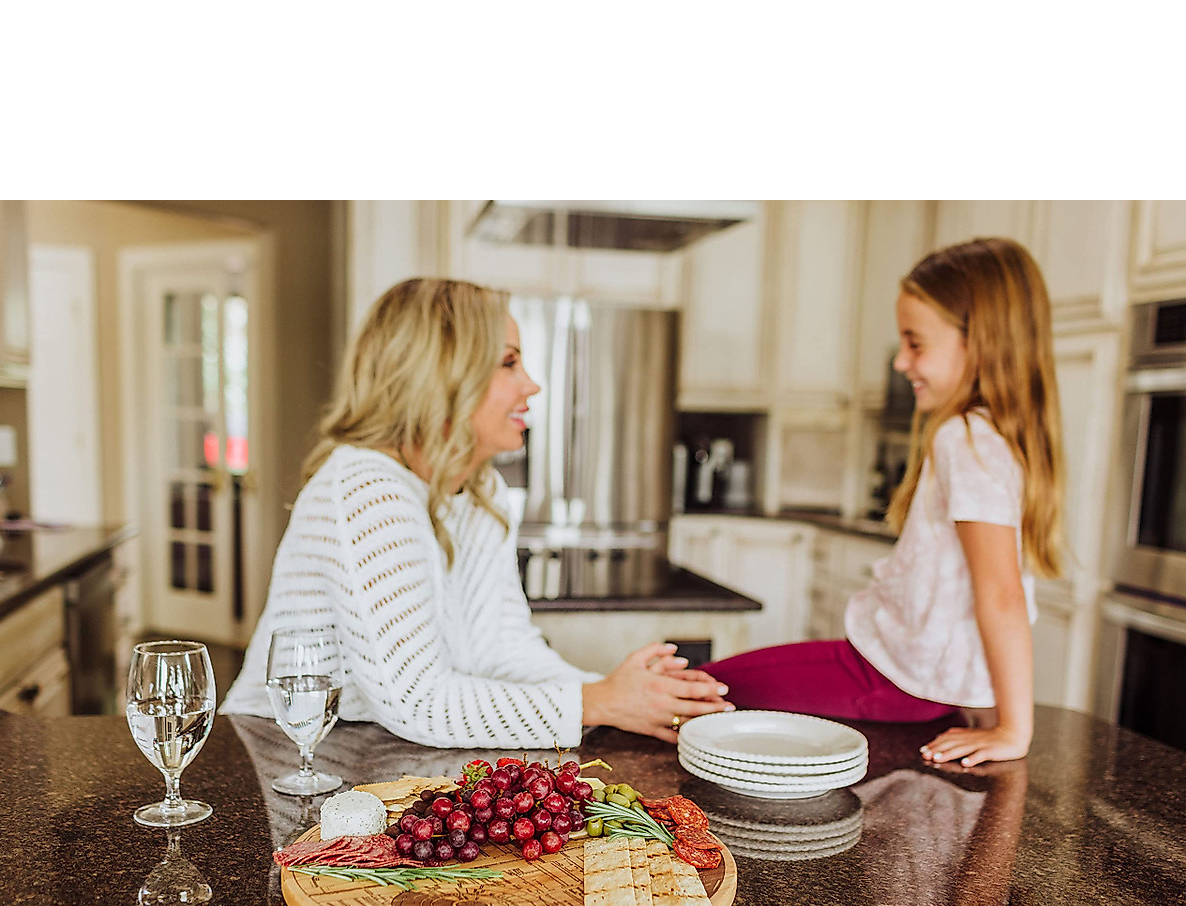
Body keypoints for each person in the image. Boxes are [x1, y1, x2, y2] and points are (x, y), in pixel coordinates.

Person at [221, 277, 733, 749]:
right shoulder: (366, 489)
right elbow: (417, 701)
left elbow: (503, 648)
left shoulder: (478, 485)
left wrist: (625, 696)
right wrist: (599, 701)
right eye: (509, 363)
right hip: (290, 754)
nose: (531, 385)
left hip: (377, 747)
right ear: (441, 375)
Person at [701, 238, 1063, 767]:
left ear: (980, 343)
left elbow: (1001, 592)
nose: (900, 361)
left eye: (916, 343)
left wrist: (1013, 728)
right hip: (901, 676)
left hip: (887, 678)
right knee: (702, 689)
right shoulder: (992, 436)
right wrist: (984, 705)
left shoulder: (963, 437)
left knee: (700, 689)